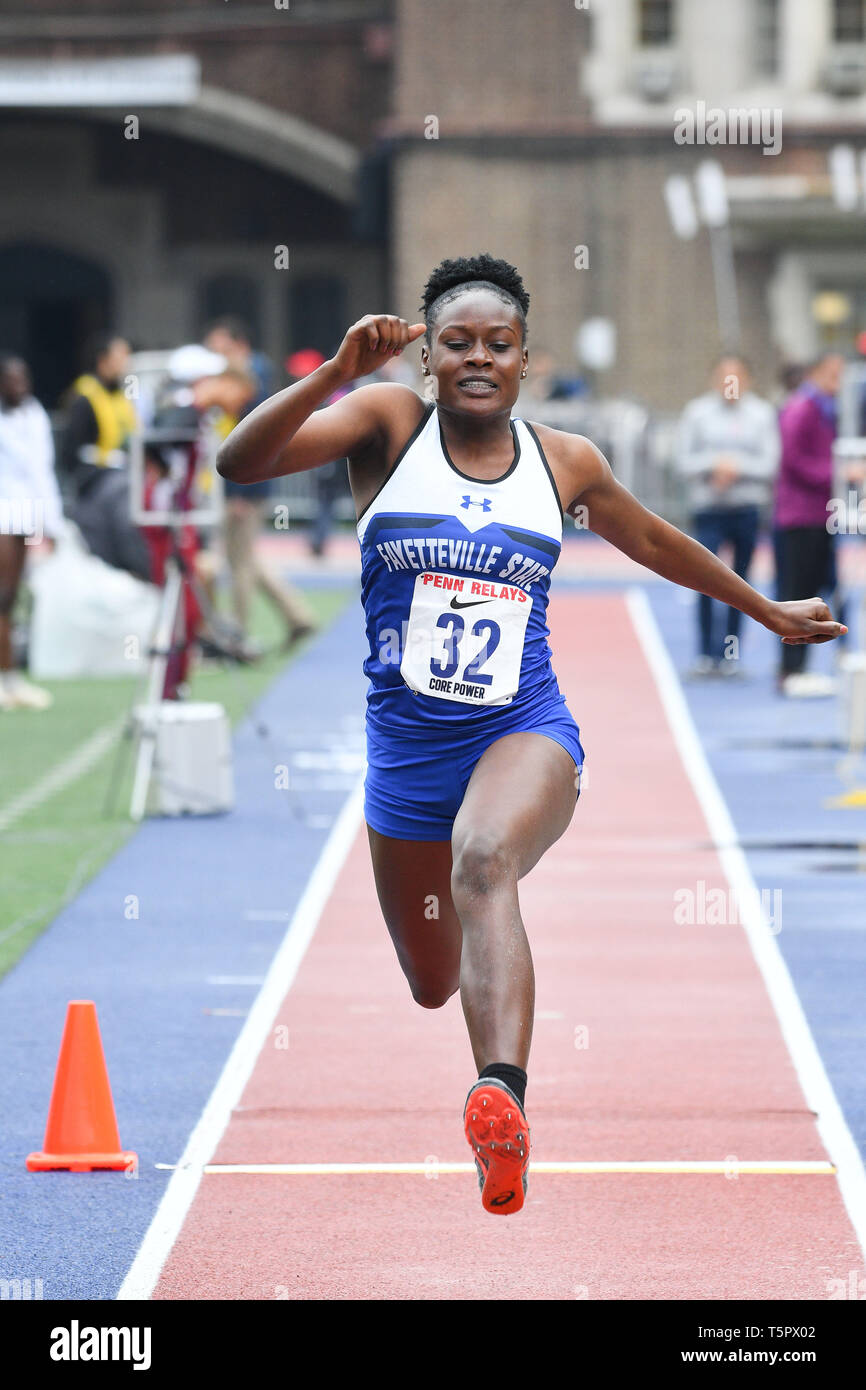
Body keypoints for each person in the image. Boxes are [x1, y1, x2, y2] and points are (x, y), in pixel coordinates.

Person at [216, 253, 846, 1216]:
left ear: (523, 358)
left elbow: (655, 540)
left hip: (524, 729)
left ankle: (500, 1101)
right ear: (427, 358)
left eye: (498, 344)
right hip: (407, 755)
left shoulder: (565, 463)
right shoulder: (387, 426)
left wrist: (764, 610)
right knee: (431, 981)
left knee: (484, 859)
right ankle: (485, 1064)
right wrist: (337, 372)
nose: (478, 358)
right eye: (457, 343)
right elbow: (240, 463)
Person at [675, 356, 781, 678]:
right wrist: (713, 466)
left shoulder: (762, 414)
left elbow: (770, 463)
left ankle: (730, 656)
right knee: (703, 580)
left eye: (736, 377)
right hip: (709, 511)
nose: (729, 383)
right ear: (714, 379)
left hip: (746, 511)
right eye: (724, 376)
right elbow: (683, 461)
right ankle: (706, 656)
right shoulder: (697, 413)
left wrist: (736, 469)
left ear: (747, 380)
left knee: (741, 585)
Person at [774, 352, 846, 697]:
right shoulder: (801, 407)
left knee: (815, 589)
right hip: (798, 517)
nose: (839, 382)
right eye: (833, 374)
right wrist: (839, 473)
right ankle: (791, 669)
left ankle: (801, 667)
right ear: (816, 373)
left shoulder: (824, 408)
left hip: (819, 516)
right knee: (796, 593)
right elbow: (794, 460)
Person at [0, 355, 64, 710]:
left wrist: (50, 524)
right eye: (11, 380)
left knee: (12, 598)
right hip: (3, 509)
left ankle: (9, 677)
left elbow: (42, 471)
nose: (18, 386)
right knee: (3, 595)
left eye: (22, 379)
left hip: (25, 511)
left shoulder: (35, 414)